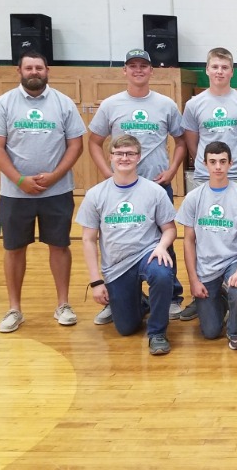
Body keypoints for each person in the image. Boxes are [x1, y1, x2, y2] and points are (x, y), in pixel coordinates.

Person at [0, 51, 86, 333]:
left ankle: (63, 304)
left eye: (39, 68)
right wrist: (19, 181)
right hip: (16, 194)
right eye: (28, 68)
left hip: (57, 191)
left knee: (59, 245)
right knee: (14, 249)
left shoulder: (63, 103)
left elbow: (75, 145)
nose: (34, 72)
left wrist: (54, 176)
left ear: (47, 70)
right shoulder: (3, 104)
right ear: (19, 71)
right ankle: (14, 308)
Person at [87, 48, 186, 324]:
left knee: (164, 240)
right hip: (121, 188)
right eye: (133, 66)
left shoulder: (166, 104)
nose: (138, 70)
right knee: (116, 238)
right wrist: (108, 173)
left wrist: (173, 170)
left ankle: (172, 297)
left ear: (152, 71)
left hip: (156, 186)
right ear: (125, 71)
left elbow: (181, 141)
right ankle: (117, 297)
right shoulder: (111, 104)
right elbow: (94, 142)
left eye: (144, 65)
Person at [76, 136, 178, 355]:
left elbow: (170, 228)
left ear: (138, 157)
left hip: (147, 254)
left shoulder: (154, 191)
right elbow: (88, 239)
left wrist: (161, 247)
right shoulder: (96, 194)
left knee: (161, 273)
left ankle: (157, 333)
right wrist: (96, 282)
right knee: (126, 328)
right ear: (111, 157)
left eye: (130, 153)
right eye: (119, 153)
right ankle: (138, 302)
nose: (125, 158)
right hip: (116, 265)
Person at [180, 47, 237, 321]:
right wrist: (209, 165)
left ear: (232, 71)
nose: (219, 72)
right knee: (204, 234)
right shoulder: (194, 104)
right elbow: (191, 141)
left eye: (224, 67)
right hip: (205, 177)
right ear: (207, 69)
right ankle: (201, 290)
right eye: (215, 67)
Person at [175, 141, 237, 349]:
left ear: (230, 163)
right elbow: (189, 240)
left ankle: (235, 330)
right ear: (204, 164)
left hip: (233, 261)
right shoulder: (193, 198)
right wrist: (193, 280)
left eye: (222, 161)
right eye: (213, 162)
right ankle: (220, 296)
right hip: (206, 265)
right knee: (210, 332)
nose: (218, 167)